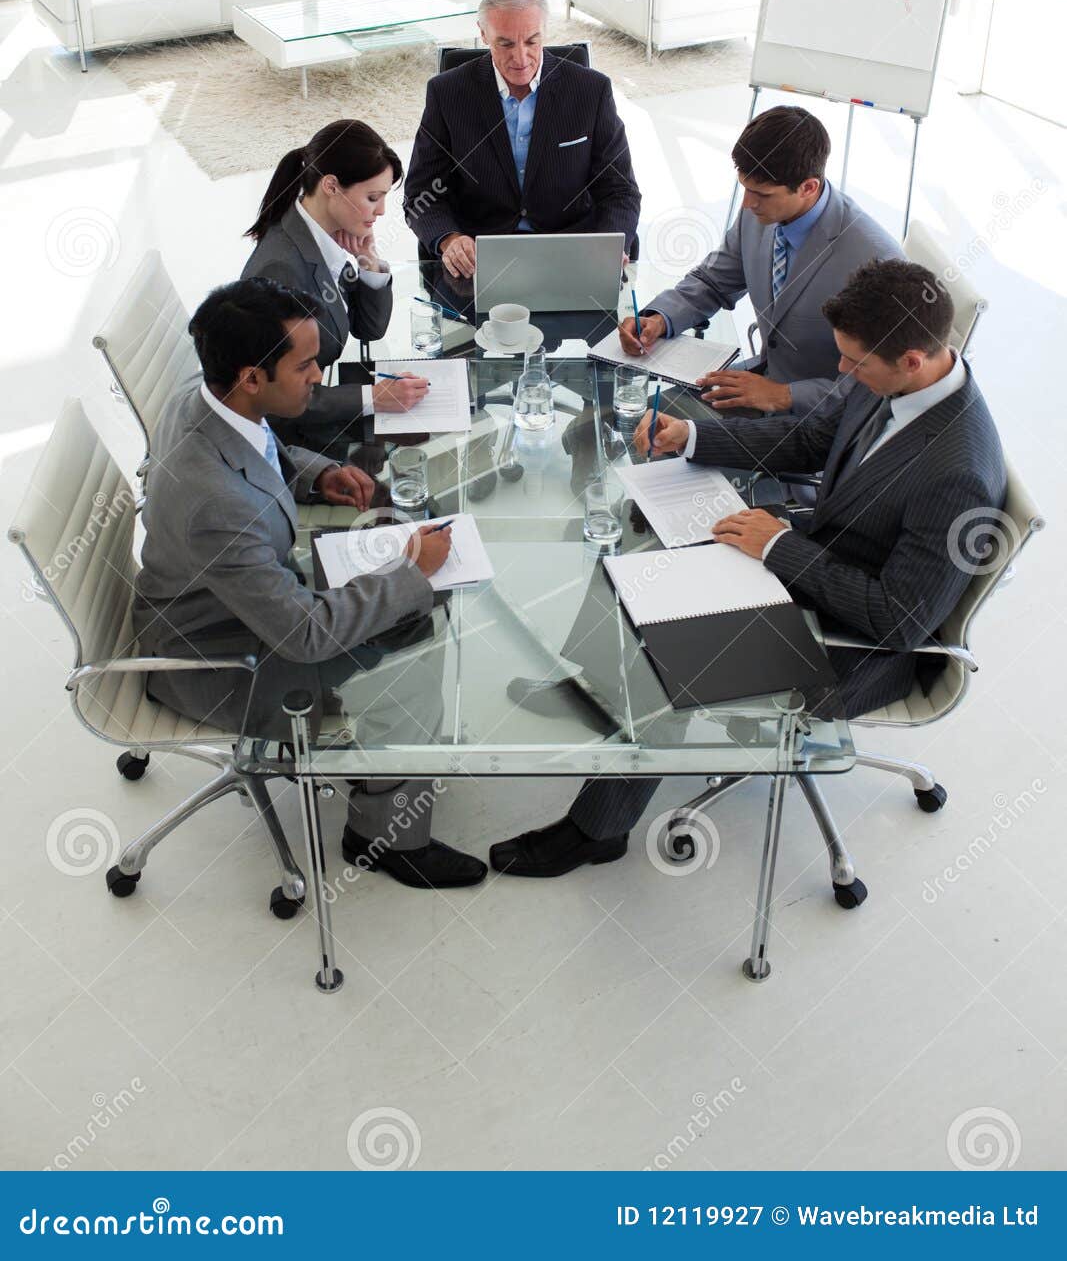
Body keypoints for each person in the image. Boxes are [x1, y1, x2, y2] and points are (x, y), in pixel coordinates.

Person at [490, 259, 1006, 878]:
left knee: (674, 652)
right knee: (639, 553)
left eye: (854, 362)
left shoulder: (959, 473)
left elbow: (898, 622)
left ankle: (595, 831)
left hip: (856, 646)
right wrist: (693, 439)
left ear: (913, 360)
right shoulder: (892, 380)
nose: (841, 371)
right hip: (820, 564)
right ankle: (600, 692)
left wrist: (779, 547)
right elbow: (811, 440)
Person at [133, 277, 486, 889]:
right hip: (219, 658)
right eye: (306, 366)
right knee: (417, 641)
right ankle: (384, 837)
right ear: (251, 377)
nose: (321, 375)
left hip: (222, 601)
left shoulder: (201, 394)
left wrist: (317, 472)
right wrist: (411, 573)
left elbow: (257, 449)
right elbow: (305, 633)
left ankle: (393, 758)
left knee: (404, 602)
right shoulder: (214, 504)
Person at [620, 105, 900, 415]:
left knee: (660, 437)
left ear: (809, 187)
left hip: (818, 418)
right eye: (745, 188)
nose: (748, 204)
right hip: (759, 384)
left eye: (762, 194)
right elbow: (713, 282)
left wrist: (785, 395)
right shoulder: (760, 213)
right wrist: (661, 319)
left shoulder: (876, 258)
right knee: (615, 424)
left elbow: (878, 386)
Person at [403, 0, 641, 277]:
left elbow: (620, 190)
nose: (520, 57)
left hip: (571, 252)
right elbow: (421, 193)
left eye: (531, 41)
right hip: (480, 258)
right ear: (483, 33)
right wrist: (450, 239)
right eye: (505, 43)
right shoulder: (447, 93)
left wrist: (607, 244)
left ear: (545, 33)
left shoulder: (592, 91)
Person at [243, 120, 428, 452]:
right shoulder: (283, 269)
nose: (382, 210)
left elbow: (367, 328)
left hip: (321, 401)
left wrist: (369, 263)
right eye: (373, 197)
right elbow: (278, 401)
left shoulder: (320, 236)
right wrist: (374, 397)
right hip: (292, 442)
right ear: (331, 186)